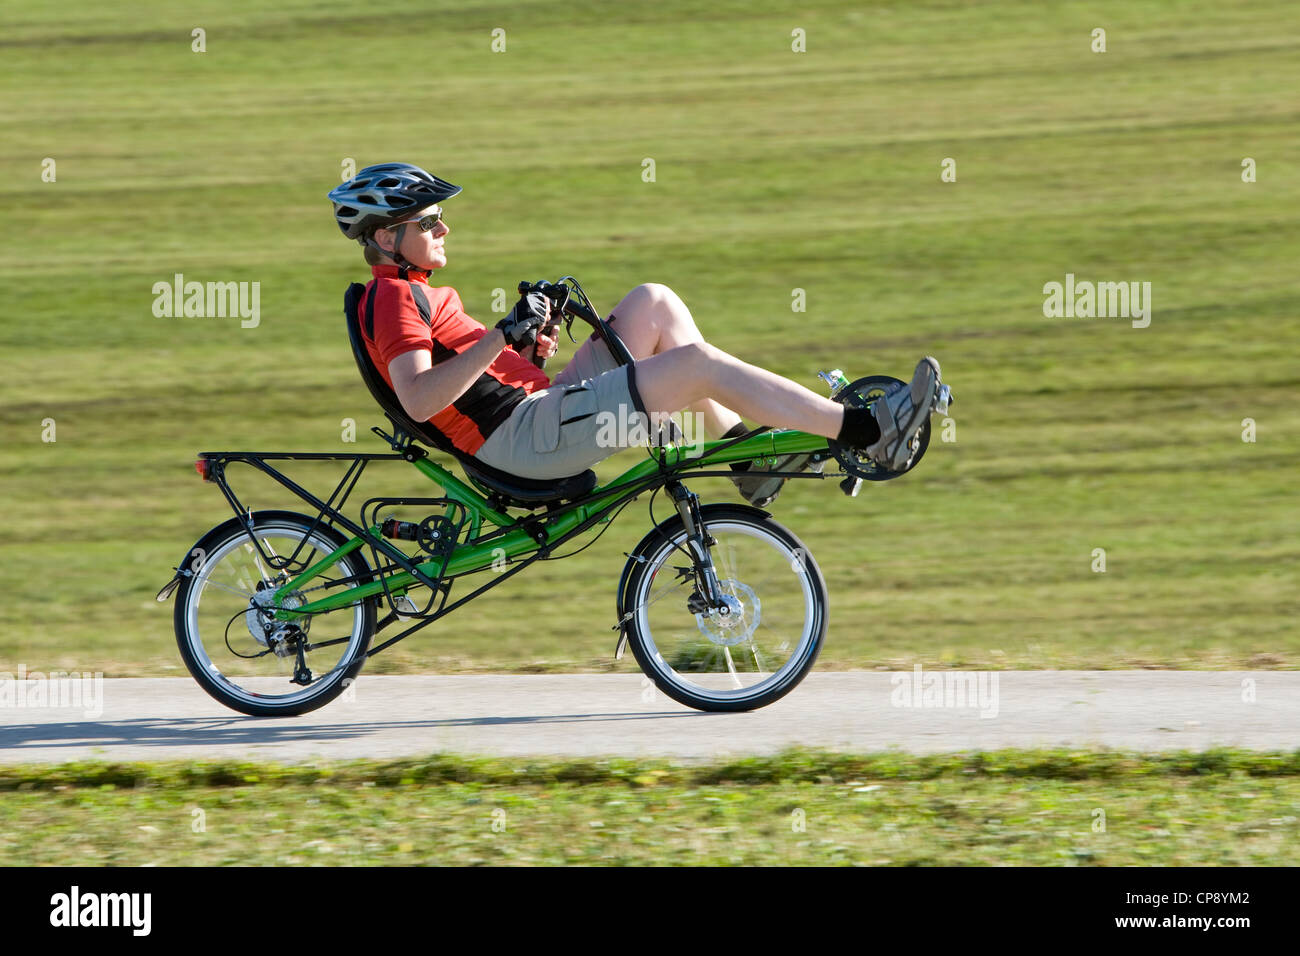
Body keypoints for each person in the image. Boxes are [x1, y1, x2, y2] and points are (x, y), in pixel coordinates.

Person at [327, 162, 943, 505]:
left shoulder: (414, 293)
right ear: (386, 238)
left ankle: (749, 462)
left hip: (537, 413)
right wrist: (500, 337)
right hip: (523, 441)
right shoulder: (394, 297)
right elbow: (419, 398)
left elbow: (466, 377)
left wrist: (526, 344)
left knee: (654, 303)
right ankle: (868, 431)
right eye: (429, 220)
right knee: (695, 364)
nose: (445, 229)